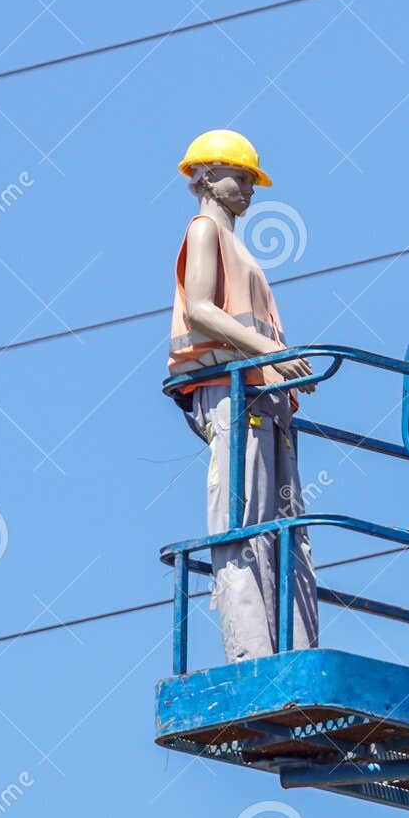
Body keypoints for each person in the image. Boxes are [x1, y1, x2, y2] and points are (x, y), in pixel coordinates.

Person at [166, 129, 319, 662]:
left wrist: (279, 370)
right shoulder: (206, 229)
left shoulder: (239, 247)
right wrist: (272, 353)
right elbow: (204, 308)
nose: (251, 187)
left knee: (287, 531)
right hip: (231, 395)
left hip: (263, 399)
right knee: (243, 524)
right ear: (205, 176)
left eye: (254, 179)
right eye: (242, 176)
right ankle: (252, 656)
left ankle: (295, 654)